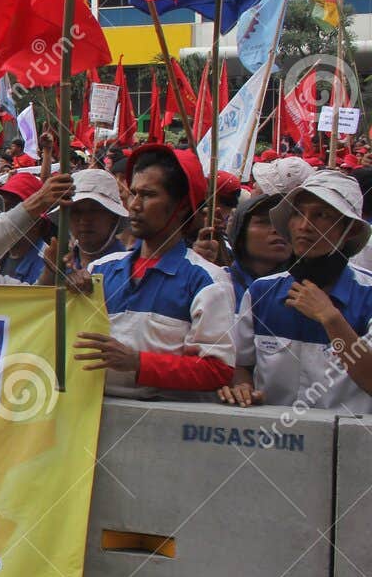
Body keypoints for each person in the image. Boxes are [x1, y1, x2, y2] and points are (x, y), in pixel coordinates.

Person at [74, 145, 236, 397]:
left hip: (164, 420)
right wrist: (67, 293)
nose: (134, 205)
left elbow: (217, 369)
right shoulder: (100, 270)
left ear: (182, 206)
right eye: (133, 193)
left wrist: (139, 363)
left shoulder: (209, 281)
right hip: (91, 417)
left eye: (148, 195)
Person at [222, 171, 372, 412]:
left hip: (345, 436)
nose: (304, 226)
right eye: (298, 213)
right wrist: (242, 387)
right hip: (269, 433)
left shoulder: (367, 295)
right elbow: (241, 364)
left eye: (322, 215)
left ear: (351, 230)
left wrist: (331, 319)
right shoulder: (262, 292)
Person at [66, 168, 129, 270]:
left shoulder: (128, 269)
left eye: (94, 211)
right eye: (76, 211)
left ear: (114, 216)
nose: (84, 220)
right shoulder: (58, 266)